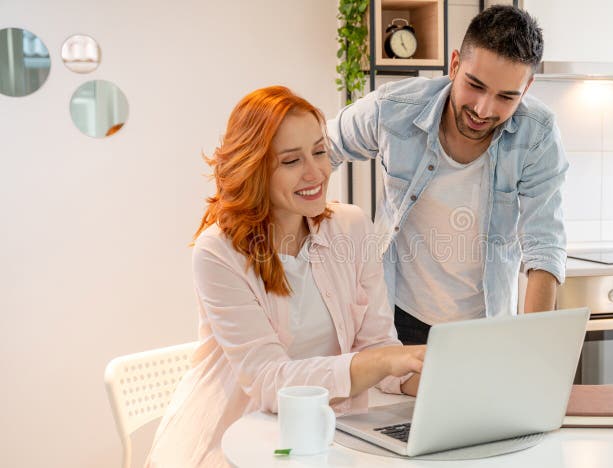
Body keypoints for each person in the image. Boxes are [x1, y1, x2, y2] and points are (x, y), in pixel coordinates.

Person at [146, 86, 424, 467]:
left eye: (320, 151)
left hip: (323, 434)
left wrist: (422, 375)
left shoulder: (351, 226)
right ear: (255, 167)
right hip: (234, 436)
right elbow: (267, 380)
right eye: (291, 161)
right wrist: (382, 363)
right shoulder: (218, 252)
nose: (315, 173)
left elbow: (376, 345)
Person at [327, 5, 568, 344]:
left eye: (505, 97)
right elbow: (322, 147)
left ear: (526, 90)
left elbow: (544, 245)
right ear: (454, 64)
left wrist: (533, 345)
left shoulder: (538, 135)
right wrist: (314, 218)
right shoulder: (394, 109)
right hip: (397, 315)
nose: (483, 110)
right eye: (475, 85)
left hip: (486, 323)